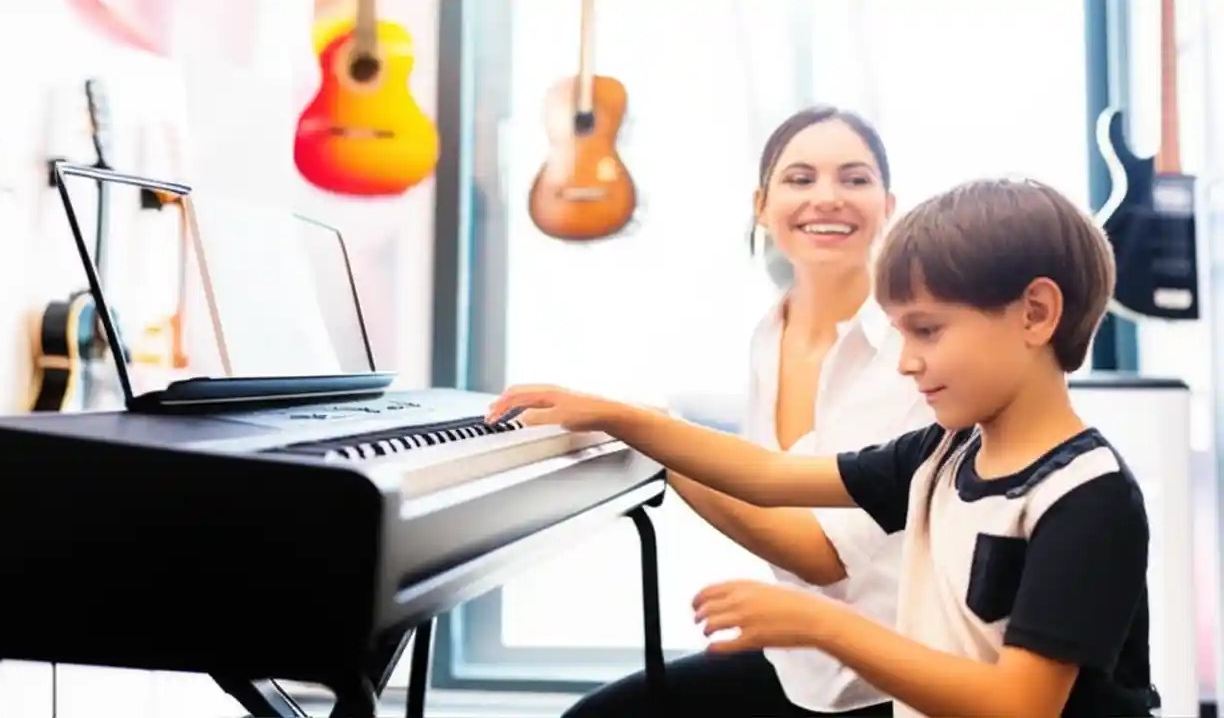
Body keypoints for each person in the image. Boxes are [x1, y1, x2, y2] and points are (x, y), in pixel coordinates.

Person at [487, 177, 1156, 717]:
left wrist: (819, 623)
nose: (906, 362)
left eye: (927, 331)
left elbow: (1019, 706)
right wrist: (621, 417)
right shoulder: (942, 455)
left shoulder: (1088, 499)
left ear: (1035, 314)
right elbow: (772, 477)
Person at [562, 105, 932, 717]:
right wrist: (648, 428)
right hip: (798, 664)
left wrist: (651, 433)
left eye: (856, 179)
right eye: (800, 178)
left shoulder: (912, 348)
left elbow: (820, 553)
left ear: (889, 206)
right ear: (762, 204)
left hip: (891, 682)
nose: (828, 197)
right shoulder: (768, 334)